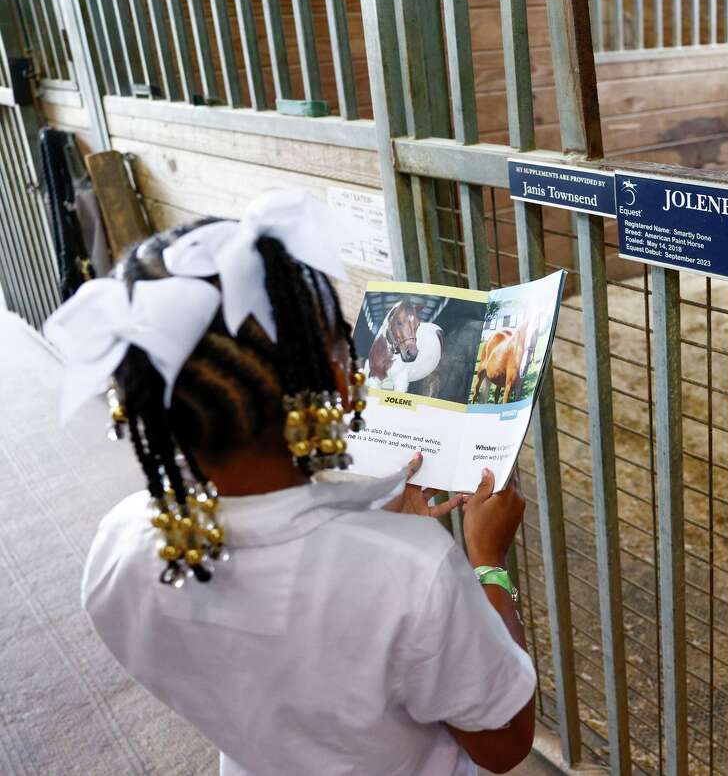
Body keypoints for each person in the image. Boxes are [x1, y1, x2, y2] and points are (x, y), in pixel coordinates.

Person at [45, 190, 536, 775]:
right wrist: (486, 560)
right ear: (337, 376)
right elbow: (504, 744)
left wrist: (367, 523)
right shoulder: (413, 572)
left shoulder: (118, 546)